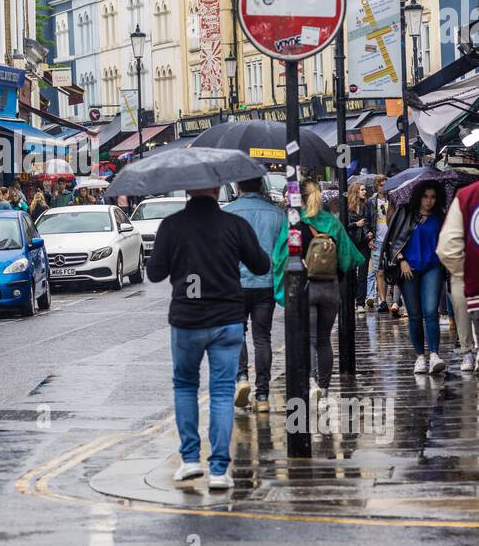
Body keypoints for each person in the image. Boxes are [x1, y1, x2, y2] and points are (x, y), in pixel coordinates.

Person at [147, 186, 270, 490]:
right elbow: (261, 265)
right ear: (217, 189)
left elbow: (154, 273)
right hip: (227, 320)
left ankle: (190, 461)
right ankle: (218, 470)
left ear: (188, 190)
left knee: (186, 386)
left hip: (187, 320)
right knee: (222, 391)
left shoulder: (171, 225)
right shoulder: (234, 225)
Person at [271, 178, 364, 404]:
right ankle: (325, 388)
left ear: (298, 199)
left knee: (310, 339)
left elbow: (280, 257)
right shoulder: (331, 222)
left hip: (306, 287)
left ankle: (311, 382)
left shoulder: (294, 223)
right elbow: (350, 258)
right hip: (330, 288)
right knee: (324, 340)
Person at [222, 176, 284, 415]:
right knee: (262, 338)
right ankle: (263, 394)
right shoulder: (277, 214)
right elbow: (283, 251)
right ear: (261, 186)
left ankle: (241, 379)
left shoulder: (227, 214)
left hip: (235, 283)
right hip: (265, 283)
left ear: (238, 186)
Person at [380, 181, 448, 374]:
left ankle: (434, 354)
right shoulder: (405, 214)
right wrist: (401, 260)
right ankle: (420, 356)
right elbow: (392, 241)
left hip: (432, 267)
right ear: (419, 196)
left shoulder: (439, 217)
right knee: (415, 315)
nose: (429, 201)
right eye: (426, 196)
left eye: (433, 197)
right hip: (408, 269)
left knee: (430, 311)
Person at [437, 180, 479, 372]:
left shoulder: (466, 196)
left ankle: (469, 354)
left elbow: (447, 249)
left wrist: (468, 273)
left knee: (463, 312)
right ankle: (468, 351)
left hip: (469, 279)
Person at [346, 180, 374, 315]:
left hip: (364, 242)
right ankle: (350, 301)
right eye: (362, 190)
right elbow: (343, 225)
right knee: (351, 274)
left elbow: (370, 221)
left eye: (364, 190)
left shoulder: (367, 205)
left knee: (362, 274)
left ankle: (360, 303)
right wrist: (355, 224)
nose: (365, 192)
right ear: (355, 192)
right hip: (351, 243)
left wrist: (370, 233)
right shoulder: (347, 207)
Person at [365, 175, 389, 310]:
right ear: (376, 186)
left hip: (390, 240)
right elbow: (368, 220)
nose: (383, 187)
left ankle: (394, 300)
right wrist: (369, 237)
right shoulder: (371, 202)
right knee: (379, 272)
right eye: (381, 185)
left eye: (385, 184)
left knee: (390, 270)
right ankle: (382, 301)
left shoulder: (392, 199)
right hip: (377, 240)